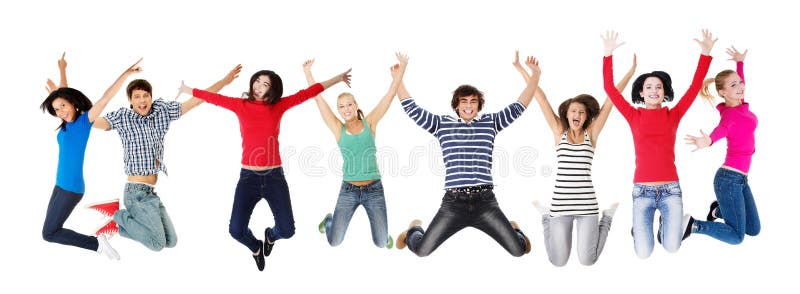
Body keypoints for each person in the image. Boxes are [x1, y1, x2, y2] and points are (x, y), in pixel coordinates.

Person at [178, 66, 352, 271]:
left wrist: (338, 78)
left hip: (274, 178)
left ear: (272, 90)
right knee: (235, 230)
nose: (259, 86)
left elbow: (310, 92)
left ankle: (270, 235)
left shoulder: (278, 106)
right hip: (248, 178)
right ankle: (256, 247)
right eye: (257, 81)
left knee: (287, 230)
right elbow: (211, 98)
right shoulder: (240, 105)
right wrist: (188, 89)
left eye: (265, 84)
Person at [394, 54, 541, 257]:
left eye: (473, 101)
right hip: (453, 204)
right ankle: (413, 230)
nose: (469, 105)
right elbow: (412, 109)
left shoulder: (491, 122)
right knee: (421, 250)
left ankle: (513, 229)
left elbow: (520, 105)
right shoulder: (441, 124)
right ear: (457, 105)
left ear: (479, 105)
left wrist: (536, 74)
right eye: (464, 101)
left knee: (519, 250)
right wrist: (398, 78)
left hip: (485, 203)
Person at [91, 63, 242, 252]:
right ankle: (117, 214)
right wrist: (68, 110)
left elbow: (196, 101)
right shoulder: (124, 118)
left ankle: (120, 225)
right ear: (130, 100)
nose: (142, 100)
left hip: (150, 192)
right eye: (137, 96)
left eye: (146, 95)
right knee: (157, 244)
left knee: (171, 241)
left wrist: (224, 82)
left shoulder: (161, 113)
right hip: (135, 193)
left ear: (151, 97)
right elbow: (91, 121)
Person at [602, 30, 716, 258]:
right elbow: (610, 89)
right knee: (643, 253)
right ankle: (639, 228)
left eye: (658, 87)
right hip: (642, 192)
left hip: (670, 190)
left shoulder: (672, 115)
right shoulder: (633, 115)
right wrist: (608, 55)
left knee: (672, 246)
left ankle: (667, 225)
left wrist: (705, 54)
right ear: (641, 93)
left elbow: (694, 88)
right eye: (649, 87)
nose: (654, 90)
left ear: (664, 93)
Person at [517, 51, 637, 266]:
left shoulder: (591, 134)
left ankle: (607, 218)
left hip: (587, 207)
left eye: (581, 112)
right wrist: (525, 71)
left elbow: (611, 100)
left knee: (587, 260)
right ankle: (546, 217)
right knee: (558, 261)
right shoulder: (558, 131)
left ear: (586, 116)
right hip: (560, 206)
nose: (577, 115)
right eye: (574, 111)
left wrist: (630, 72)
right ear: (567, 114)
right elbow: (540, 98)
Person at [40, 52, 142, 260]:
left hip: (71, 189)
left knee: (49, 233)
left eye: (63, 106)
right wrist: (62, 68)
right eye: (56, 109)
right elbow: (64, 93)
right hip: (60, 185)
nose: (60, 111)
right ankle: (98, 243)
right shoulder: (66, 124)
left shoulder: (84, 122)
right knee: (49, 230)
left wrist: (126, 74)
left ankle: (97, 243)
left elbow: (106, 97)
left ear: (73, 104)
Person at [302, 53, 408, 249]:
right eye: (341, 107)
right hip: (348, 190)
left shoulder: (370, 122)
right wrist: (308, 73)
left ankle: (384, 236)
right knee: (334, 241)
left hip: (374, 190)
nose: (346, 109)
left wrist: (401, 69)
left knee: (381, 243)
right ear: (339, 111)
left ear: (356, 105)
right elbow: (318, 99)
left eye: (349, 104)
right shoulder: (337, 128)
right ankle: (329, 222)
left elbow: (390, 95)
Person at [684, 46, 760, 245]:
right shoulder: (729, 117)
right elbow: (718, 132)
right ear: (723, 92)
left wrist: (740, 63)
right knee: (737, 237)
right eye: (734, 85)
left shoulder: (739, 102)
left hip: (741, 179)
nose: (740, 86)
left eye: (740, 83)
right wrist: (706, 141)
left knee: (754, 229)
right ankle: (693, 225)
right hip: (728, 179)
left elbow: (739, 83)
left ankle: (718, 210)